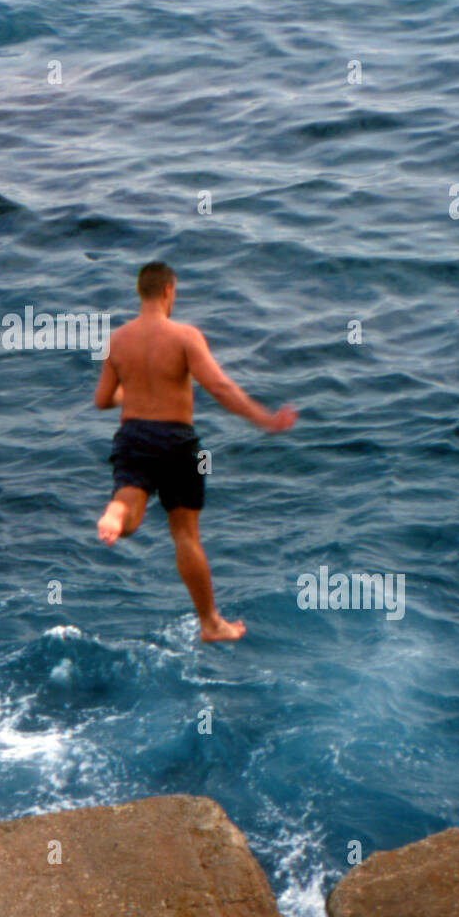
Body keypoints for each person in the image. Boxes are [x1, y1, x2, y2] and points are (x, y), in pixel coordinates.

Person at [95, 262, 297, 642]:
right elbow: (220, 388)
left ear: (141, 292)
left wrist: (135, 394)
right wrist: (265, 419)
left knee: (129, 501)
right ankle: (210, 624)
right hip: (176, 442)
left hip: (133, 436)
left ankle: (116, 513)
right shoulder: (185, 336)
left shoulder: (116, 340)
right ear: (169, 290)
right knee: (185, 535)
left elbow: (103, 399)